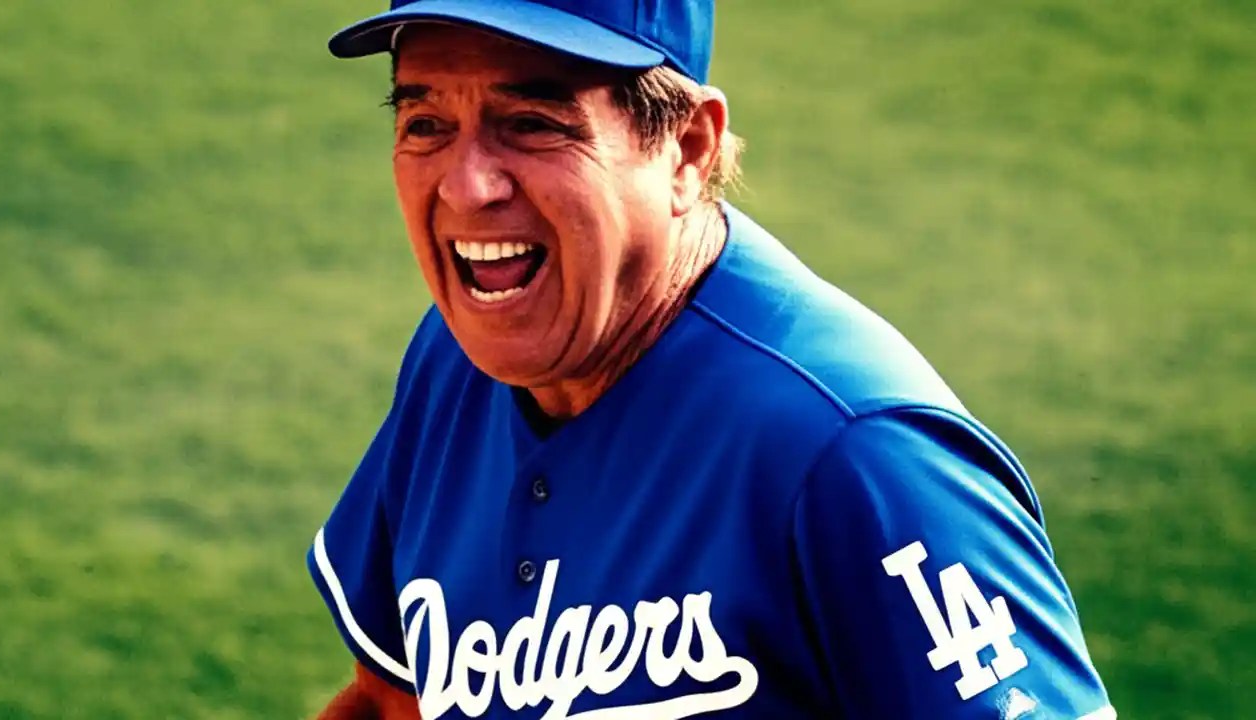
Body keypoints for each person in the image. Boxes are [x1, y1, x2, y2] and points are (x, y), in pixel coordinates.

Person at [307, 1, 1117, 718]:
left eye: (533, 122)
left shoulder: (857, 456)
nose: (466, 184)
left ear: (688, 149)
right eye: (424, 124)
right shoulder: (458, 360)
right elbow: (394, 698)